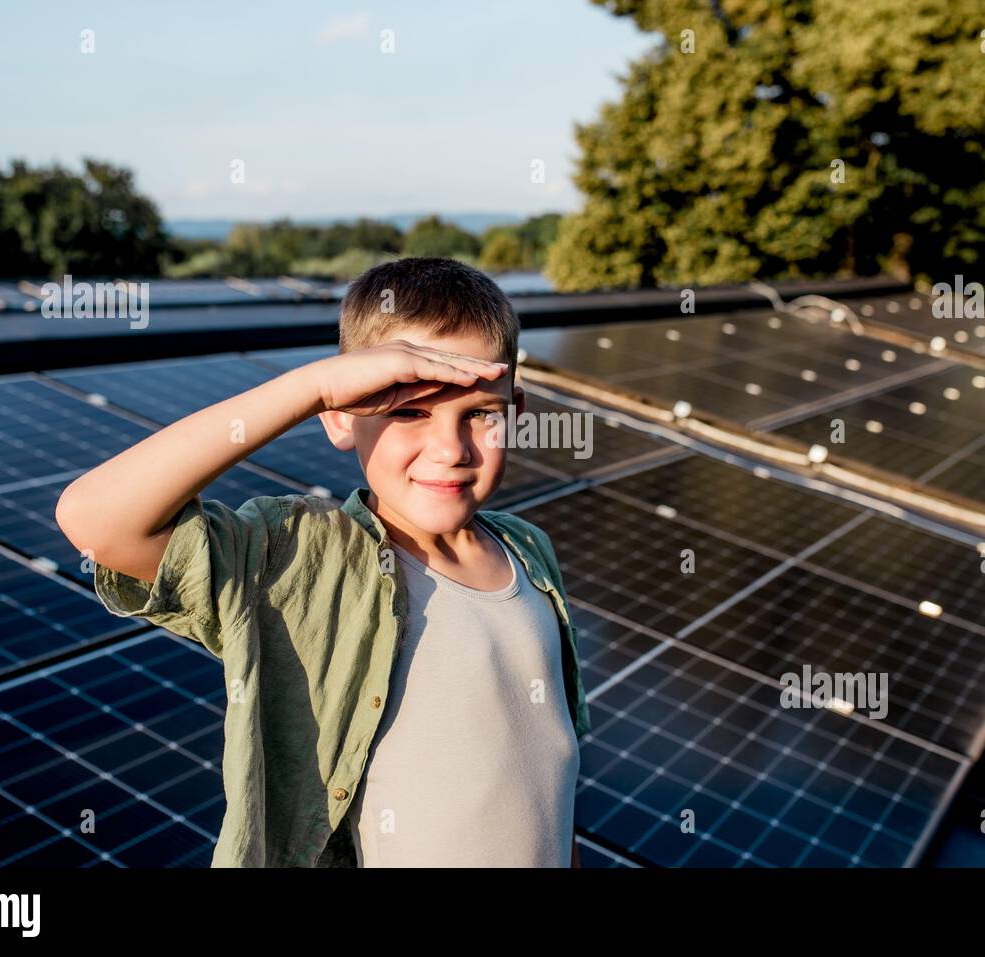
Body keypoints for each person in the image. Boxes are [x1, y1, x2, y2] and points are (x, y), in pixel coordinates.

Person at [55, 257, 590, 867]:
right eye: (408, 409)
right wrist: (314, 386)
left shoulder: (531, 554)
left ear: (515, 413)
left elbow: (553, 773)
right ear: (339, 414)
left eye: (479, 414)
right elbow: (94, 519)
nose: (450, 448)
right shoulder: (302, 560)